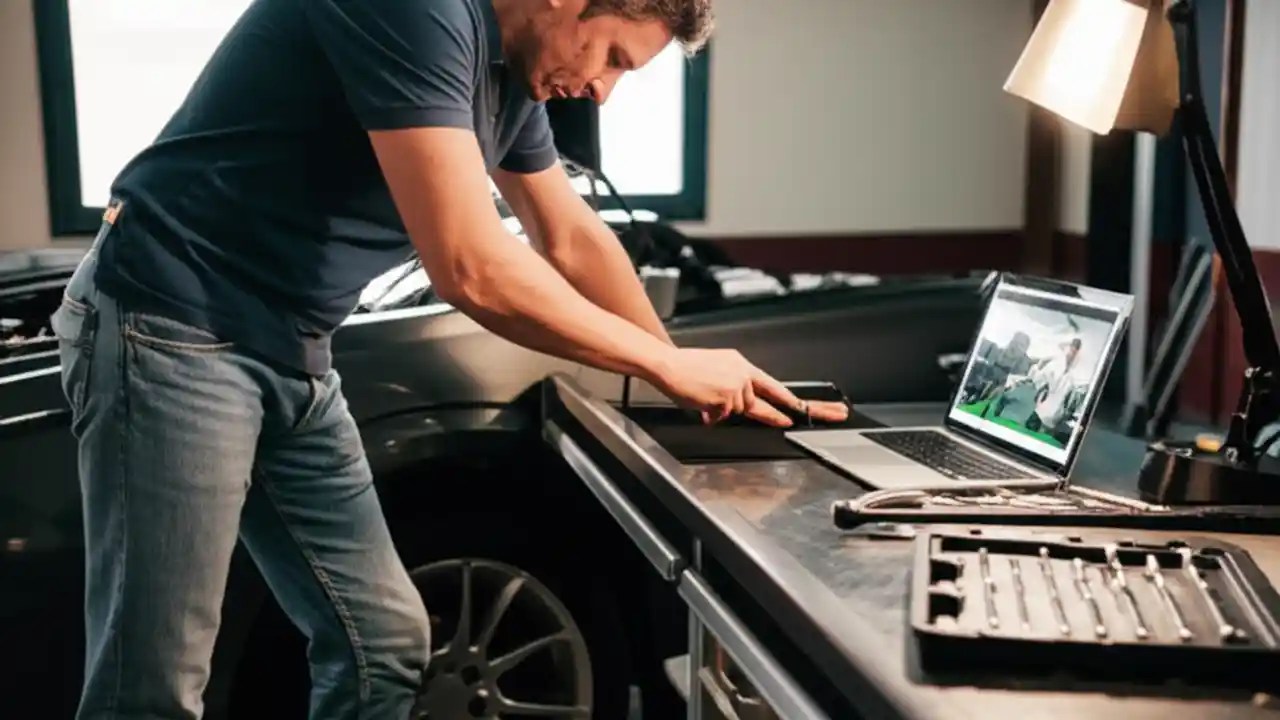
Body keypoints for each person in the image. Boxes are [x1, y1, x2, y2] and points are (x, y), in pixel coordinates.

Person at [49, 0, 848, 718]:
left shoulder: (506, 77)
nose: (604, 91)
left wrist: (680, 375)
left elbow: (568, 237)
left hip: (292, 347)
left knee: (386, 649)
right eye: (611, 58)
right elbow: (468, 264)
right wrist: (666, 367)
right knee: (152, 687)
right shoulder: (417, 11)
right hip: (171, 323)